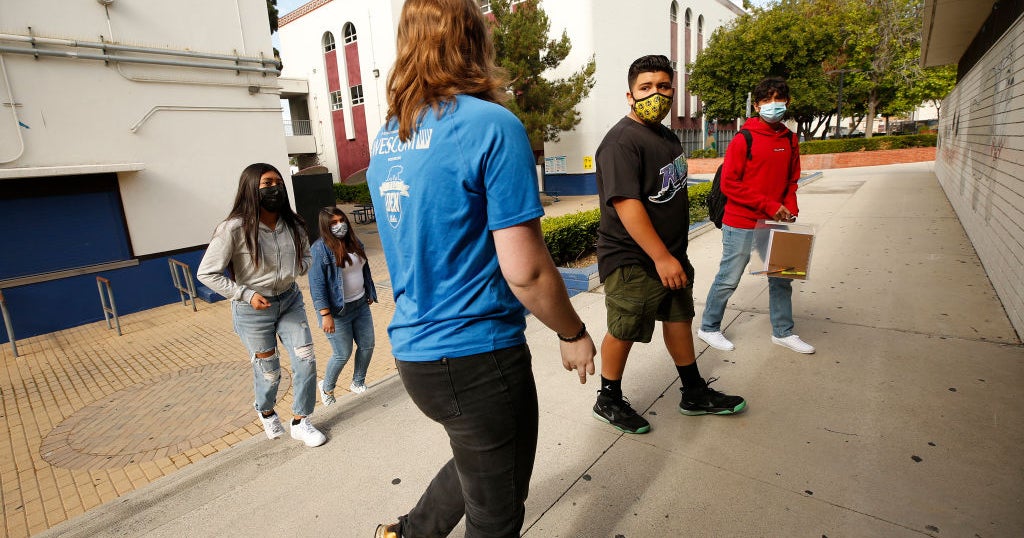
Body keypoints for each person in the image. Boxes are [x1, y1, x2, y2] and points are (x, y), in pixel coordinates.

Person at [366, 0, 596, 536]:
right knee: (498, 510)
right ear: (474, 39)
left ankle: (409, 531)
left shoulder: (388, 138)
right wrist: (573, 330)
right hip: (478, 356)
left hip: (416, 354)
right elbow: (527, 272)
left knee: (480, 458)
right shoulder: (492, 126)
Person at [593, 54, 746, 436]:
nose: (655, 94)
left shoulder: (666, 136)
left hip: (671, 256)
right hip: (634, 259)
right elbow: (627, 205)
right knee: (625, 327)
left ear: (673, 91)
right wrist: (660, 257)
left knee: (679, 318)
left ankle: (693, 392)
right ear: (629, 95)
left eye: (663, 86)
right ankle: (608, 399)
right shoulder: (620, 142)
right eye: (646, 87)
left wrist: (671, 255)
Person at [197, 163, 327, 448]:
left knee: (305, 359)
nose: (275, 188)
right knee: (270, 372)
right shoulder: (233, 229)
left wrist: (298, 267)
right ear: (251, 188)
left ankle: (301, 421)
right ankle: (266, 410)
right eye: (267, 183)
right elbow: (206, 273)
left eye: (278, 182)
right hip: (253, 310)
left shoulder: (294, 224)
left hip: (290, 300)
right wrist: (244, 294)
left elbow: (307, 255)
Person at [697, 77, 815, 355]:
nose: (773, 105)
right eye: (766, 100)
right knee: (729, 277)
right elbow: (729, 184)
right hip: (740, 221)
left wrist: (790, 208)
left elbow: (791, 180)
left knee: (783, 279)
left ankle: (783, 332)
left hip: (777, 220)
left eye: (778, 99)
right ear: (758, 105)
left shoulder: (789, 139)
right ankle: (709, 327)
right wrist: (769, 205)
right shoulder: (744, 138)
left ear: (787, 102)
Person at [307, 207, 377, 403]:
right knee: (342, 353)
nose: (340, 225)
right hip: (338, 311)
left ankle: (357, 381)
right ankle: (327, 388)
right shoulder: (319, 250)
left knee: (367, 345)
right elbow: (317, 285)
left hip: (360, 304)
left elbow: (364, 270)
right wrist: (325, 314)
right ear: (326, 227)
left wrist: (369, 292)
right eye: (334, 223)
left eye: (341, 220)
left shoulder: (355, 242)